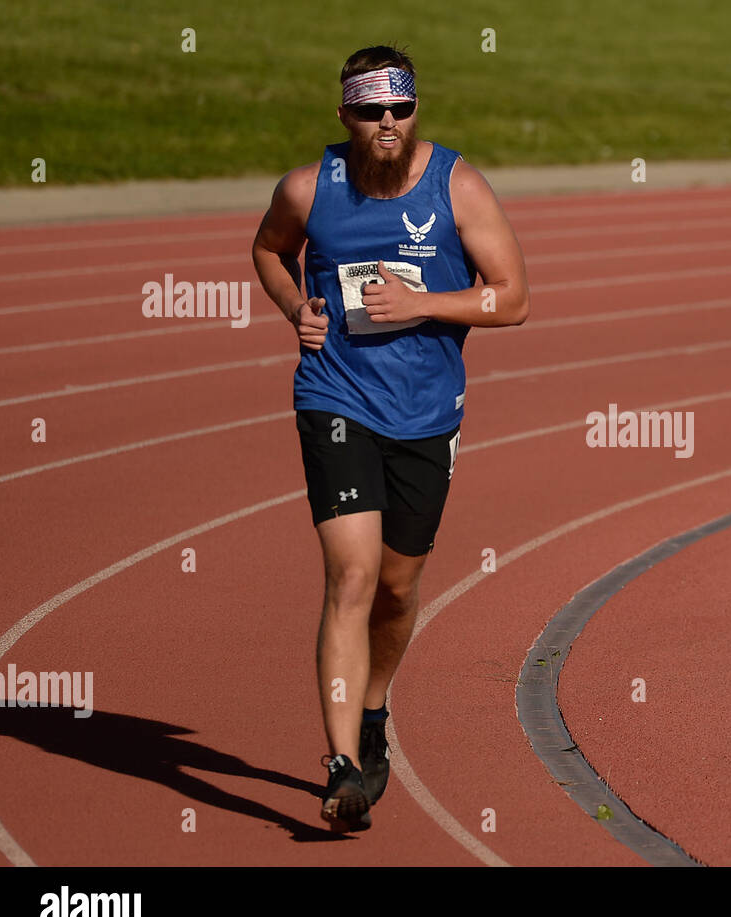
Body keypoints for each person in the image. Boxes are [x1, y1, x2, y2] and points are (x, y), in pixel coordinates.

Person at [251, 44, 530, 832]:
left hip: (426, 415)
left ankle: (373, 710)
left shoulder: (458, 186)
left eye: (399, 109)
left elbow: (511, 301)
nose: (386, 123)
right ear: (344, 113)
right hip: (334, 396)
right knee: (352, 574)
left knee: (398, 589)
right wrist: (292, 307)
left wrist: (422, 305)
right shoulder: (310, 188)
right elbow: (270, 251)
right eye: (370, 110)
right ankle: (341, 765)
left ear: (415, 111)